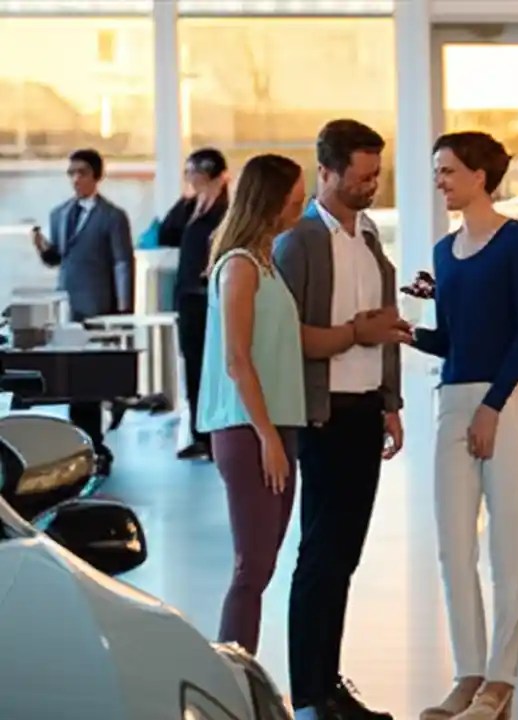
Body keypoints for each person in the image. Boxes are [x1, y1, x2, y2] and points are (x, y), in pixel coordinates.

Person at [273, 119, 410, 720]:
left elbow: (386, 326)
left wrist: (392, 401)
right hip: (321, 416)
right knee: (320, 556)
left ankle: (329, 686)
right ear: (325, 173)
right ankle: (308, 695)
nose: (370, 187)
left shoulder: (370, 237)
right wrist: (356, 335)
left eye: (376, 176)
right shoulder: (299, 243)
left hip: (363, 412)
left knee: (345, 556)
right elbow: (287, 336)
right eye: (359, 178)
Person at [411, 131, 518, 720]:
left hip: (507, 399)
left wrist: (492, 406)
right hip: (453, 399)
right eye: (437, 171)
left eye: (447, 171)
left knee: (507, 542)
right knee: (452, 544)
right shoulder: (444, 252)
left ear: (480, 177)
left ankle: (502, 679)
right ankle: (468, 672)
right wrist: (405, 331)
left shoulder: (517, 242)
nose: (439, 181)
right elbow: (451, 340)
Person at [196, 153, 307, 656]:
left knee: (262, 565)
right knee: (252, 565)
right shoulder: (239, 267)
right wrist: (267, 437)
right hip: (248, 430)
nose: (301, 205)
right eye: (296, 197)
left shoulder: (267, 263)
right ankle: (232, 681)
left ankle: (241, 677)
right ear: (273, 201)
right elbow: (237, 360)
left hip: (275, 426)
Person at [31, 148, 134, 476]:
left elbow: (122, 261)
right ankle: (85, 439)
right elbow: (59, 258)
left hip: (99, 304)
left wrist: (123, 308)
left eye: (82, 173)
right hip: (69, 305)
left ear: (96, 176)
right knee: (77, 378)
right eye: (71, 173)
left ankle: (97, 432)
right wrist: (43, 249)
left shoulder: (112, 216)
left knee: (93, 376)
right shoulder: (60, 213)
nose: (76, 179)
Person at [159, 147, 230, 461]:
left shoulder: (226, 210)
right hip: (187, 295)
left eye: (194, 172)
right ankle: (200, 434)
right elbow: (166, 233)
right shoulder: (192, 208)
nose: (189, 178)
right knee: (192, 364)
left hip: (212, 297)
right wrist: (187, 199)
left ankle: (218, 434)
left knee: (213, 364)